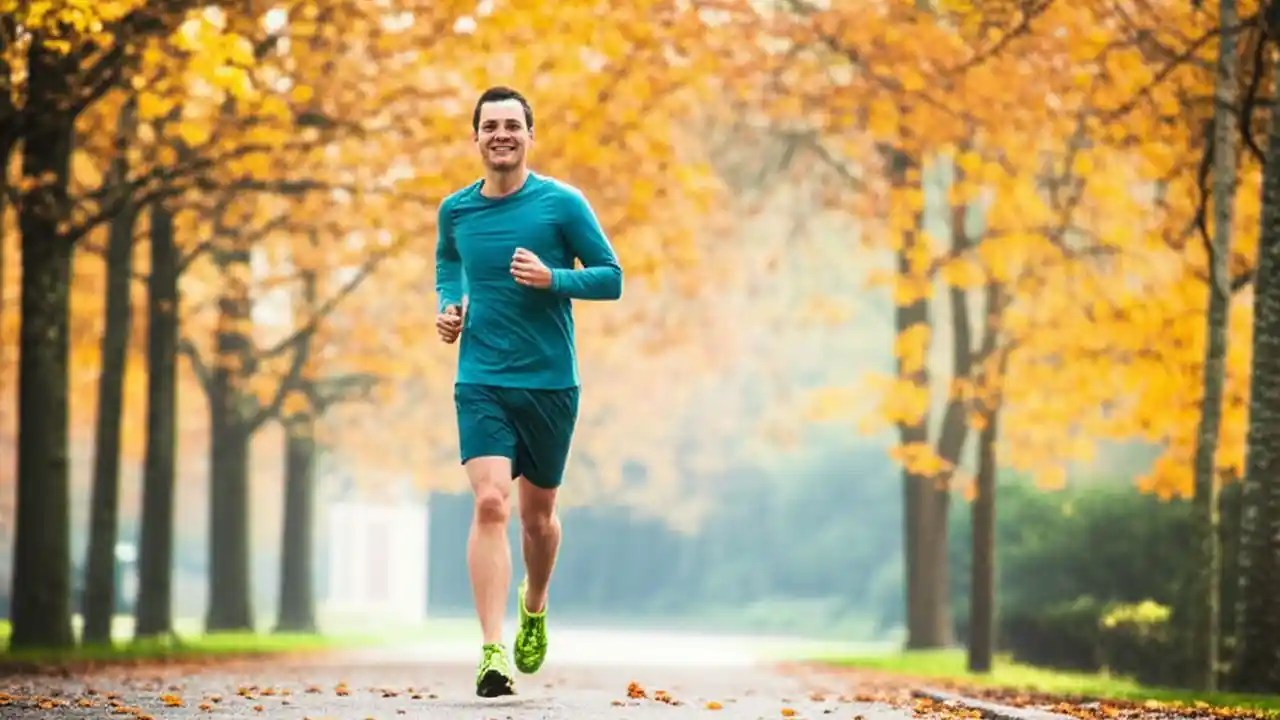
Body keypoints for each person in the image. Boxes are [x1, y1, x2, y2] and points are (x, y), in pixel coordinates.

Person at [433, 86, 624, 698]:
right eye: (490, 125)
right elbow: (448, 264)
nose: (501, 135)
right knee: (491, 502)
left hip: (550, 382)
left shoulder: (561, 204)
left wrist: (553, 279)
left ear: (529, 136)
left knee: (538, 521)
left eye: (512, 125)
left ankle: (534, 605)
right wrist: (449, 306)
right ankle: (492, 652)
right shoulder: (455, 211)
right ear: (476, 137)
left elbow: (612, 278)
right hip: (481, 378)